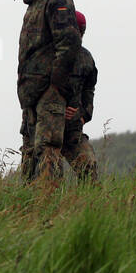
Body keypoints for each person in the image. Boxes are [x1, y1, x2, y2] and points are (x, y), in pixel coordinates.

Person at [14, 0, 81, 180]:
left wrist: (56, 85)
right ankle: (30, 208)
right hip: (31, 94)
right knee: (30, 153)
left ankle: (49, 203)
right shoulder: (35, 3)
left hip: (49, 93)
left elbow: (69, 43)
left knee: (47, 150)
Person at [33, 10, 99, 182]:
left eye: (81, 31)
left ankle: (88, 205)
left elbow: (89, 89)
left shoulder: (86, 58)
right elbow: (31, 90)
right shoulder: (45, 55)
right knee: (48, 177)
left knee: (89, 167)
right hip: (45, 129)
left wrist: (83, 115)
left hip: (72, 130)